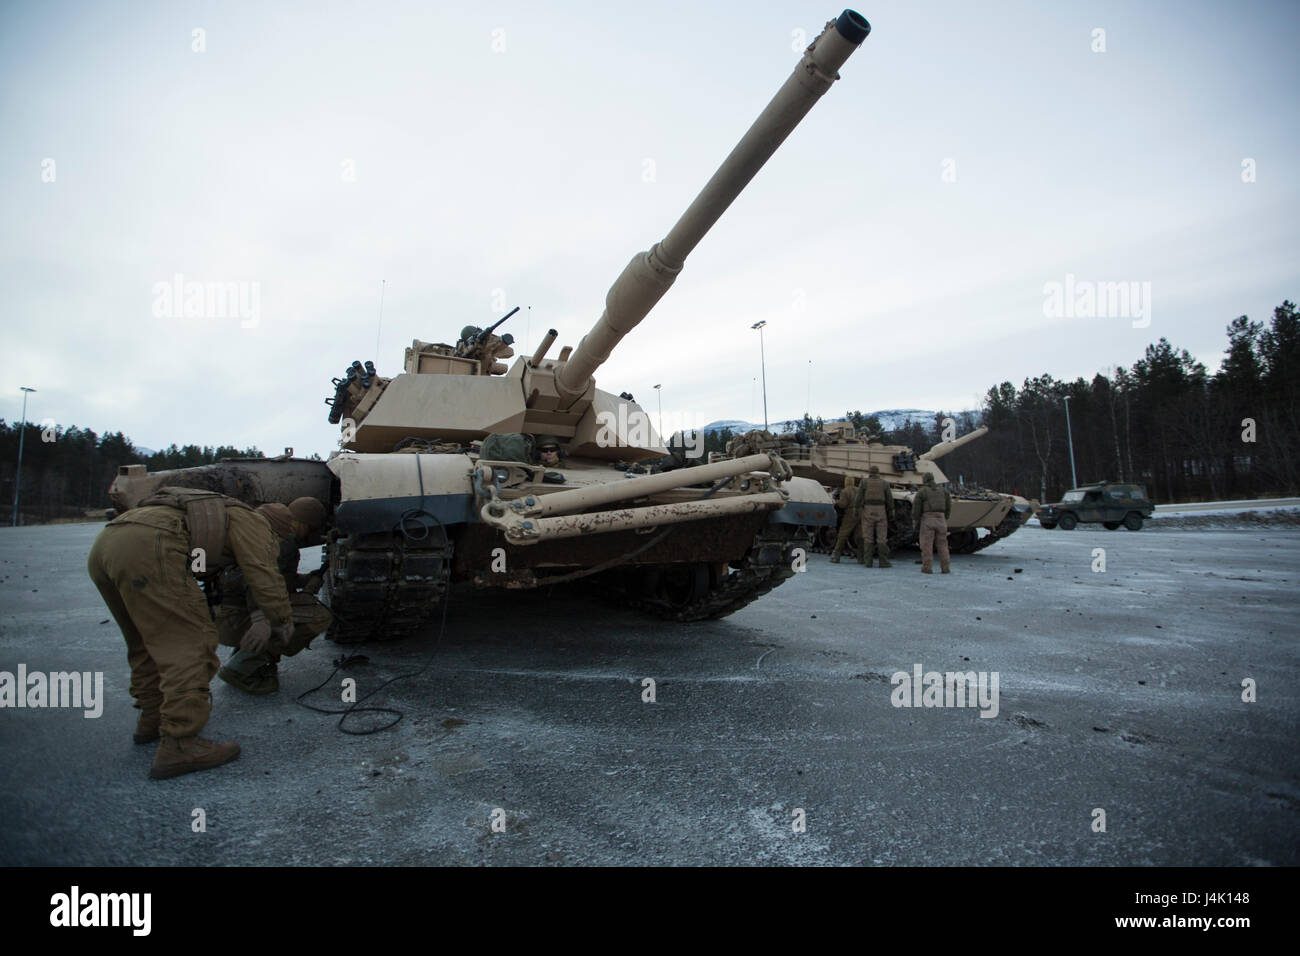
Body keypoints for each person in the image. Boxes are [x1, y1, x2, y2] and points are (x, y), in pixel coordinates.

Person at [87, 487, 294, 779]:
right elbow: (261, 571)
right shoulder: (255, 523)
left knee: (145, 641)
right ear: (277, 529)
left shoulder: (225, 511)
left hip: (107, 544)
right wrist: (280, 619)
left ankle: (152, 717)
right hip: (151, 544)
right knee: (190, 645)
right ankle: (180, 744)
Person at [216, 498, 331, 695]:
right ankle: (242, 666)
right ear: (302, 523)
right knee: (319, 616)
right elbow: (257, 583)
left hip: (226, 612)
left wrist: (305, 580)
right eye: (310, 528)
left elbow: (277, 580)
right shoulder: (282, 542)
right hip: (235, 617)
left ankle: (249, 655)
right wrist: (263, 620)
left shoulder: (262, 531)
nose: (309, 534)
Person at [853, 465, 894, 568]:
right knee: (882, 538)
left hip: (868, 510)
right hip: (881, 510)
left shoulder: (864, 482)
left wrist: (856, 509)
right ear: (878, 472)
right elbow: (889, 499)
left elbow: (858, 497)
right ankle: (883, 562)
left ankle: (868, 562)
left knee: (868, 537)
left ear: (869, 472)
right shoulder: (884, 483)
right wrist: (891, 510)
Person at [912, 472, 952, 574]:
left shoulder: (922, 491)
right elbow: (948, 505)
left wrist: (915, 520)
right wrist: (945, 517)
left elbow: (916, 508)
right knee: (943, 545)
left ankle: (927, 568)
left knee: (926, 545)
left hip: (928, 519)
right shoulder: (943, 491)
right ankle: (945, 568)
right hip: (941, 519)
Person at [828, 476, 859, 563]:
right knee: (860, 535)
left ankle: (835, 555)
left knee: (843, 534)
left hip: (850, 514)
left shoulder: (845, 491)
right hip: (861, 513)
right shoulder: (859, 490)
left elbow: (843, 504)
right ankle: (863, 557)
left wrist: (836, 502)